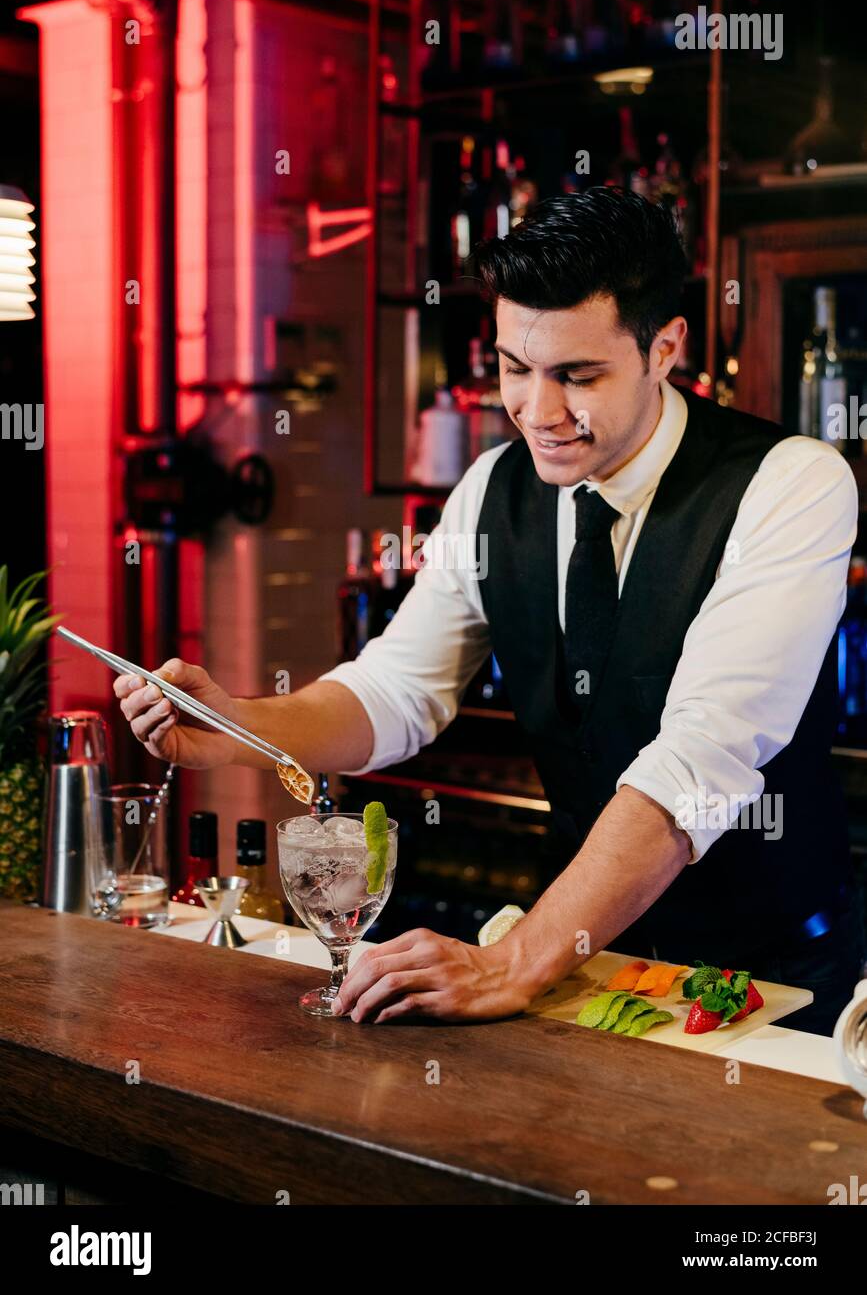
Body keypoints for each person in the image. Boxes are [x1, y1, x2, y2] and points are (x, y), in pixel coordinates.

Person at [114, 187, 865, 1034]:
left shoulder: (788, 482)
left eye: (577, 376)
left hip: (764, 982)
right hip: (582, 968)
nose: (539, 414)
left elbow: (702, 754)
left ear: (663, 349)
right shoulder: (492, 492)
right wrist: (246, 727)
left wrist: (514, 960)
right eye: (515, 368)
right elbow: (399, 691)